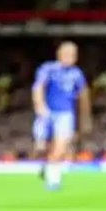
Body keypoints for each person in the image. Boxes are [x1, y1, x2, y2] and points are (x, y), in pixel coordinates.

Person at [32, 41, 90, 190]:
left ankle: (53, 180)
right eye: (67, 53)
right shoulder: (48, 69)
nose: (69, 57)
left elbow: (83, 95)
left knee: (61, 148)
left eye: (72, 54)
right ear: (59, 54)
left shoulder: (76, 73)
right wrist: (39, 104)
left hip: (65, 114)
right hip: (47, 112)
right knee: (42, 148)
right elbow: (38, 87)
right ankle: (47, 167)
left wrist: (85, 117)